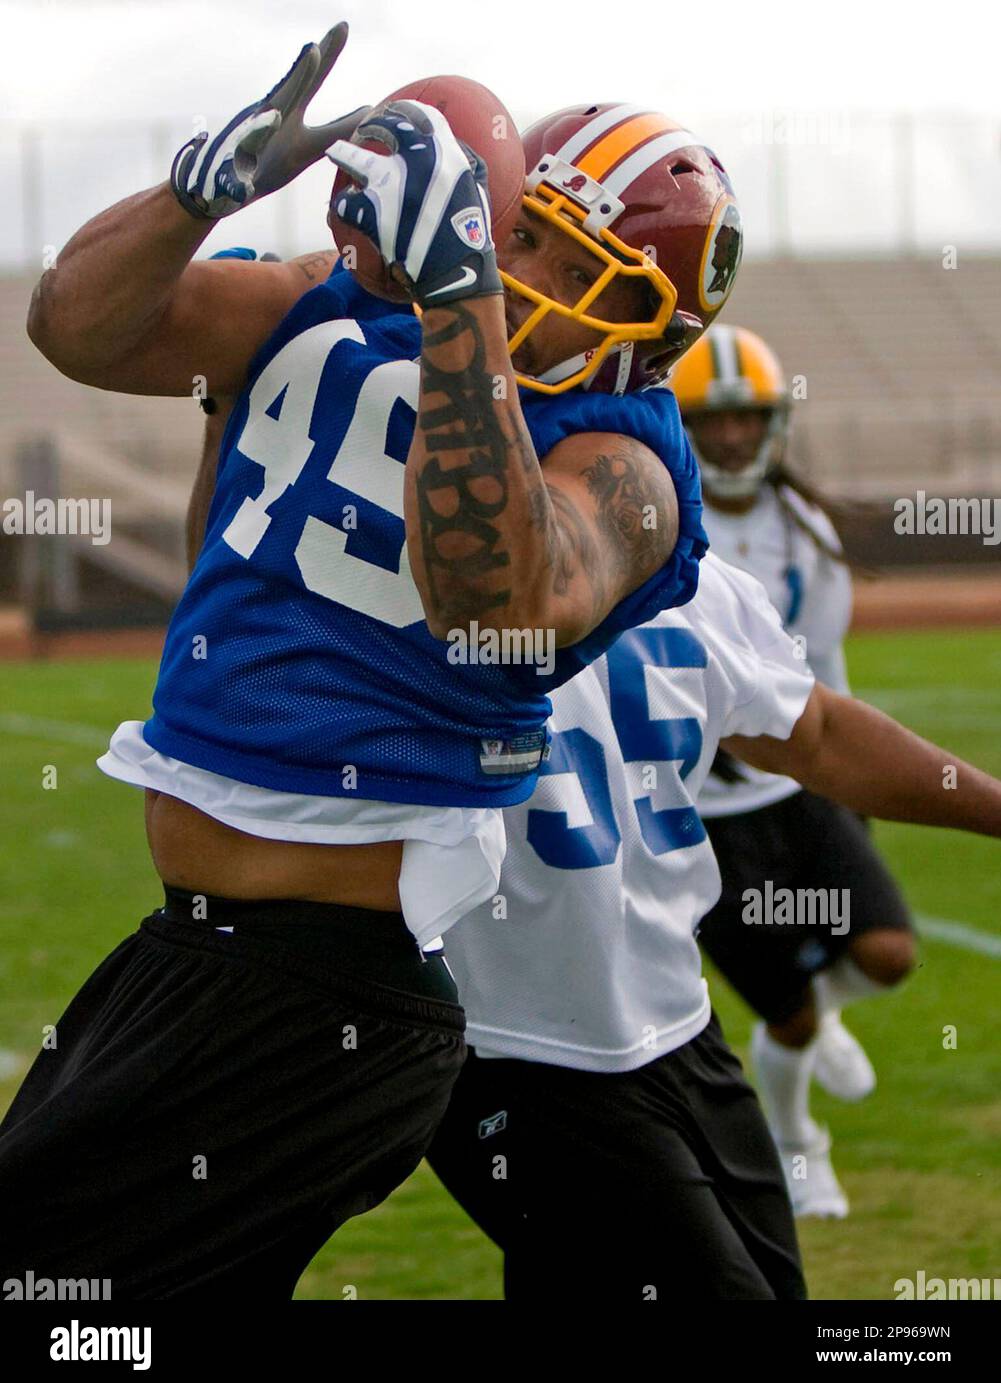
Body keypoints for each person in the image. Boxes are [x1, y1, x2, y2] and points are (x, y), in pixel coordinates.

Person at [3, 20, 740, 1297]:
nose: (519, 269)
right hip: (190, 950)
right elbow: (77, 330)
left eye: (562, 260)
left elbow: (491, 597)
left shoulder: (626, 464)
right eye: (516, 234)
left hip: (320, 995)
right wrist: (199, 187)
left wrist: (461, 302)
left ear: (645, 314)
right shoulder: (327, 300)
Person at [427, 548, 1001, 1300]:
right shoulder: (415, 585)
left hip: (677, 1030)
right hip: (511, 1050)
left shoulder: (689, 577)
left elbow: (818, 731)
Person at [671, 325, 914, 1217]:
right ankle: (797, 1144)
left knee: (886, 953)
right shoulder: (656, 512)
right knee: (791, 1019)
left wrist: (853, 791)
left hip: (799, 787)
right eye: (713, 420)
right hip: (705, 811)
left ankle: (825, 1016)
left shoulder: (805, 527)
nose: (732, 437)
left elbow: (829, 672)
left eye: (747, 419)